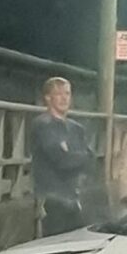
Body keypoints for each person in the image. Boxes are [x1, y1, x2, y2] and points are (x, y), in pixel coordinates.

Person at [29, 77, 96, 236]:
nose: (64, 98)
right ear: (48, 98)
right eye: (58, 94)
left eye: (67, 93)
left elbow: (90, 159)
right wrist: (79, 156)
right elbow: (62, 160)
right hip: (51, 200)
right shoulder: (43, 125)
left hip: (73, 198)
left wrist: (74, 155)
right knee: (52, 245)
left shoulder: (76, 128)